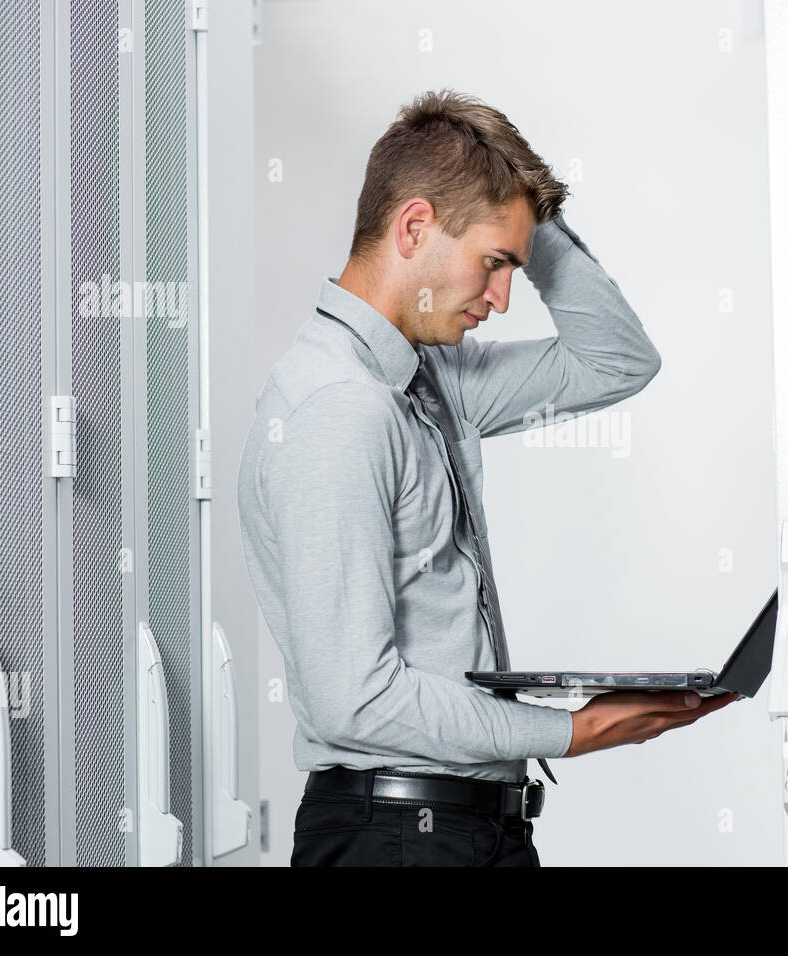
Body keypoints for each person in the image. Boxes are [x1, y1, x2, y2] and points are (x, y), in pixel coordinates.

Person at [237, 88, 736, 867]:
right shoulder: (341, 412)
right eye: (495, 263)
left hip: (471, 830)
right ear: (413, 228)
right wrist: (574, 729)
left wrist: (527, 214)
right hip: (396, 839)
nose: (504, 299)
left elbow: (616, 361)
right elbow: (354, 698)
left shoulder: (433, 381)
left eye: (515, 267)